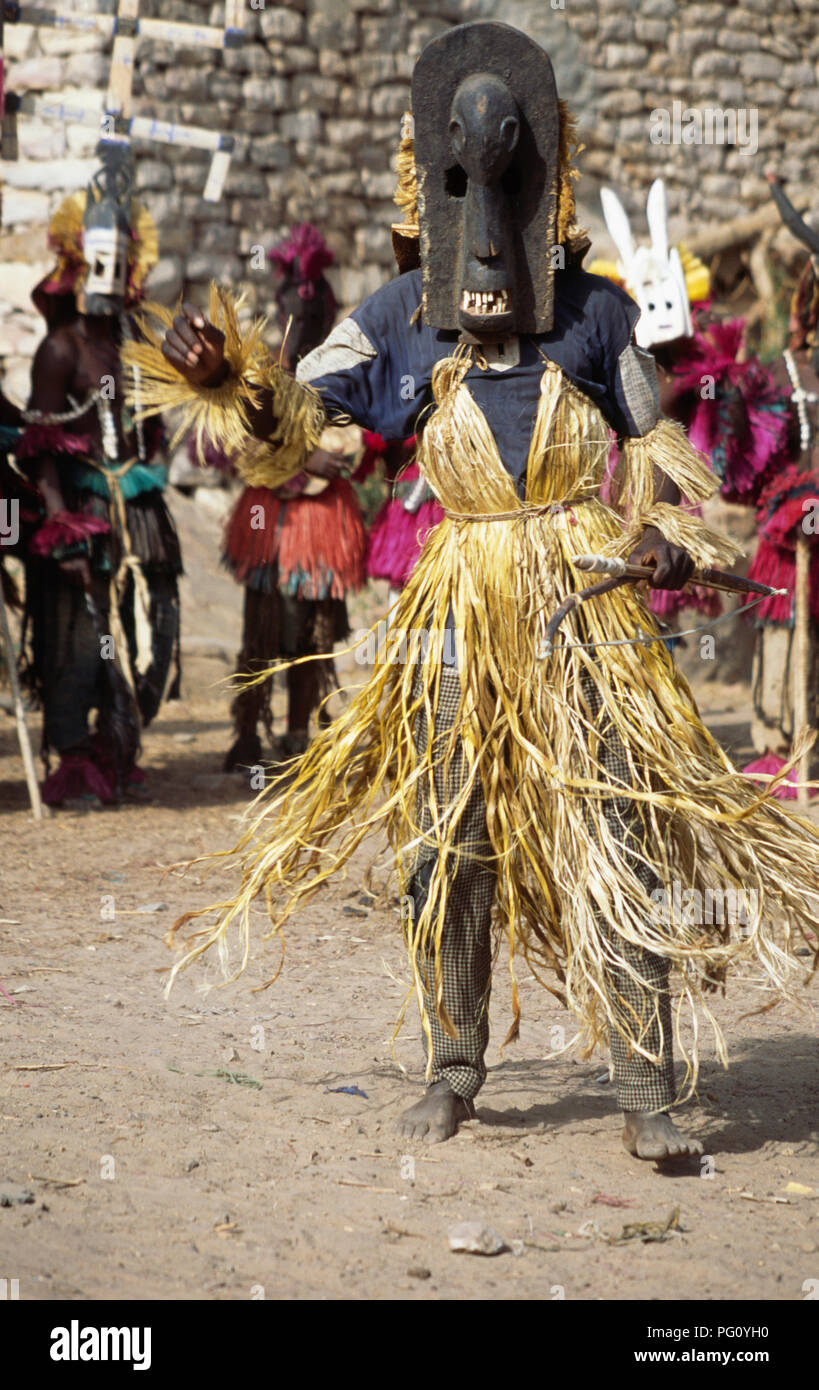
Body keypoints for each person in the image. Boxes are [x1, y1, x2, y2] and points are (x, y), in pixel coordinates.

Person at [130, 21, 819, 1161]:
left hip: (579, 607)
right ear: (437, 169)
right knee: (445, 837)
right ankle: (456, 1064)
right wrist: (226, 383)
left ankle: (645, 1084)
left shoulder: (595, 313)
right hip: (457, 607)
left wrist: (658, 537)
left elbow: (661, 453)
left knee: (620, 829)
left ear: (542, 169)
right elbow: (293, 425)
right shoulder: (399, 315)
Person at [18, 140, 181, 807]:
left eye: (121, 264)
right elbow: (38, 446)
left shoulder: (136, 342)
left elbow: (155, 422)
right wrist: (60, 524)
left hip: (135, 506)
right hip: (81, 505)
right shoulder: (60, 349)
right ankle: (75, 756)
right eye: (99, 263)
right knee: (79, 636)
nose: (110, 277)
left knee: (151, 631)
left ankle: (121, 740)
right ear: (78, 262)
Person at [220, 224, 367, 771]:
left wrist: (348, 454)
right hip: (270, 519)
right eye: (295, 315)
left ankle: (297, 731)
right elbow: (245, 442)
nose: (303, 323)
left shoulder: (343, 367)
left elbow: (364, 424)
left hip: (324, 519)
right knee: (261, 627)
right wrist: (306, 460)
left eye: (313, 315)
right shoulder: (260, 375)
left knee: (316, 628)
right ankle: (247, 731)